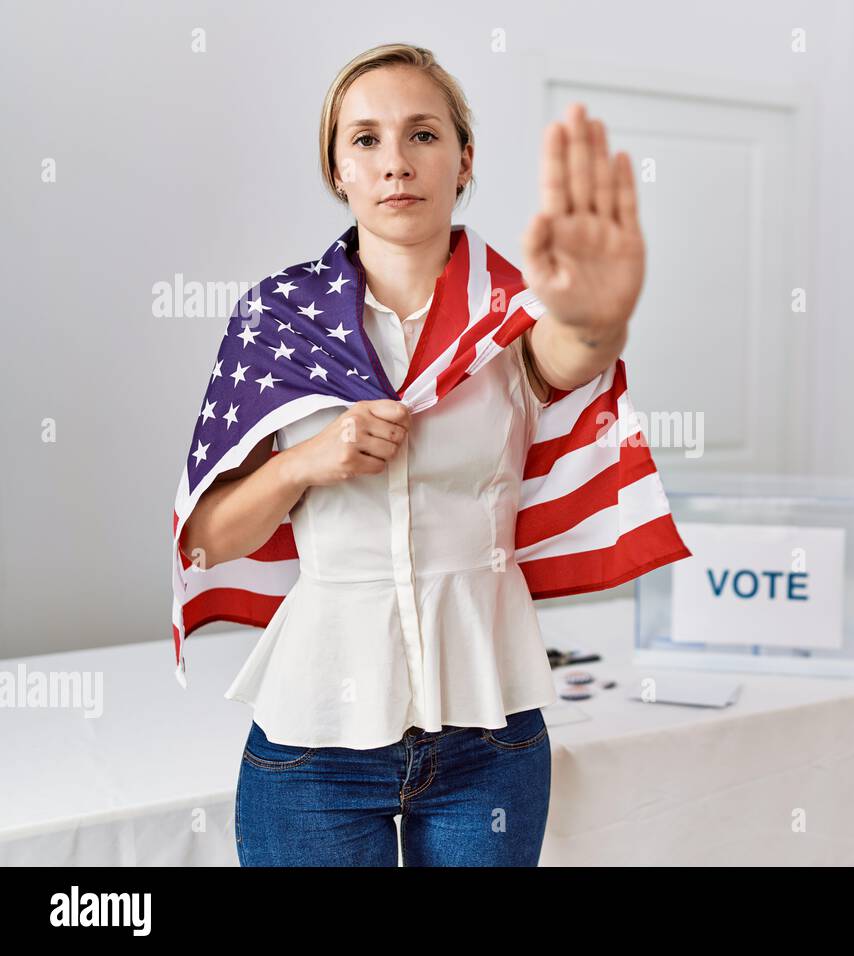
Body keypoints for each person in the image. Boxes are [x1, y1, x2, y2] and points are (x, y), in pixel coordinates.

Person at [179, 42, 648, 866]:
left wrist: (602, 317)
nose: (395, 162)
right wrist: (303, 464)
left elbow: (568, 354)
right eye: (365, 140)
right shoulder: (276, 321)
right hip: (314, 743)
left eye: (423, 135)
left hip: (488, 737)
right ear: (337, 170)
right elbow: (210, 537)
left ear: (464, 161)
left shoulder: (514, 313)